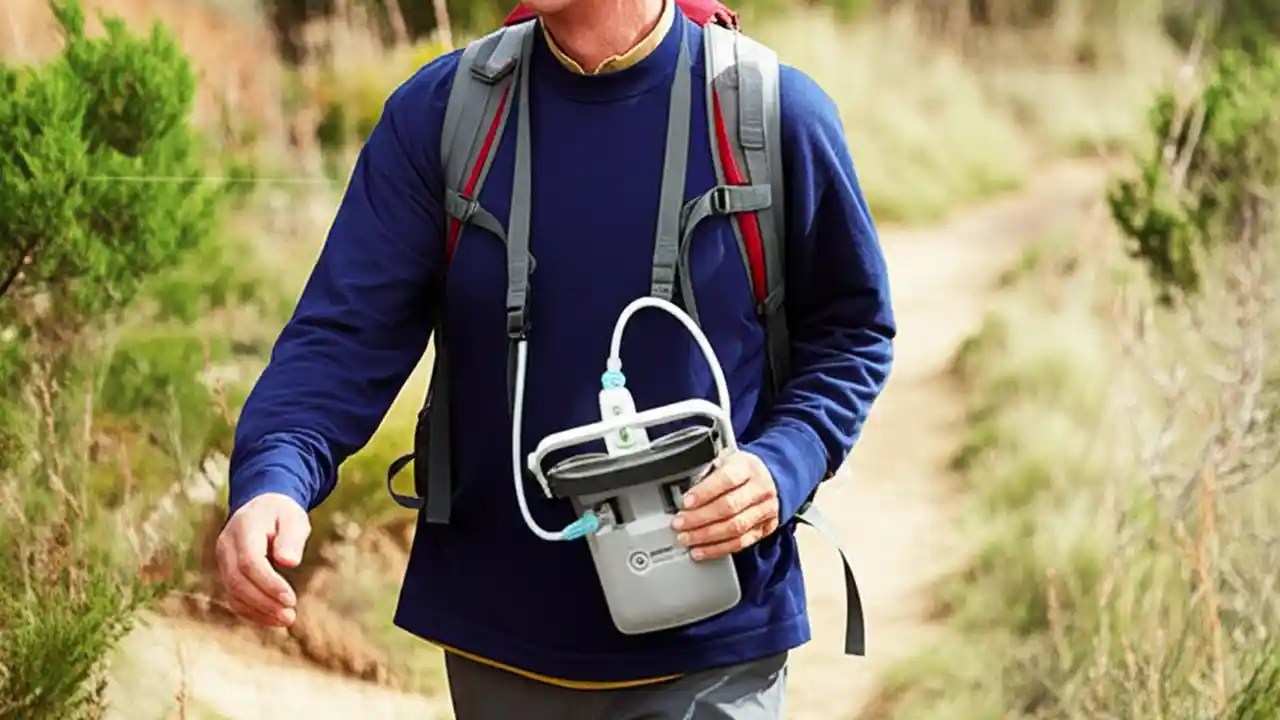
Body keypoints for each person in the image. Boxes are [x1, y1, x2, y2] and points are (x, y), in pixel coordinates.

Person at [217, 0, 895, 715]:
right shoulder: (442, 113)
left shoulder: (773, 112)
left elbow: (852, 332)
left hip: (714, 641)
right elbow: (343, 335)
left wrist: (783, 464)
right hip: (500, 643)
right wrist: (275, 476)